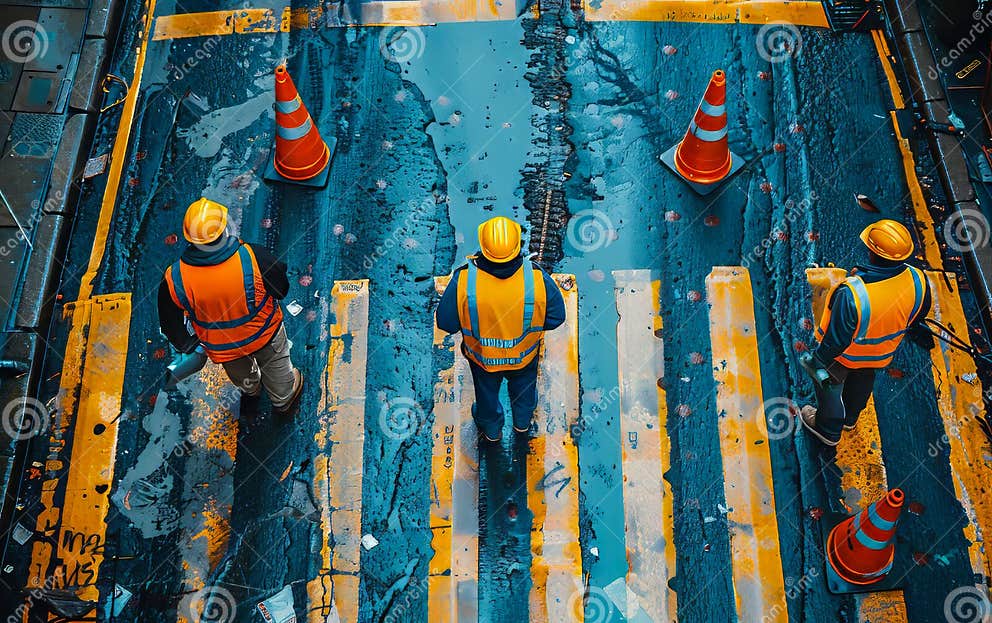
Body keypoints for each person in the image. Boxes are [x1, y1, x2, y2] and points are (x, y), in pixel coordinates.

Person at [158, 198, 304, 413]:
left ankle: (252, 389)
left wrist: (190, 345)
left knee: (242, 375)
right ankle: (283, 399)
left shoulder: (174, 278)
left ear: (188, 237)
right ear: (223, 229)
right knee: (278, 370)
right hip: (265, 335)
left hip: (224, 349)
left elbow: (171, 325)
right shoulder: (254, 257)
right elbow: (281, 290)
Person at [800, 219, 931, 446]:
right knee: (862, 382)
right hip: (879, 356)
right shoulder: (918, 280)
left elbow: (837, 341)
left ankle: (827, 429)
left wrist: (817, 361)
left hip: (845, 357)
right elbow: (919, 313)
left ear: (872, 252)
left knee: (828, 387)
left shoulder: (853, 295)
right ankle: (850, 418)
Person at [435, 216, 566, 442]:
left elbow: (446, 323)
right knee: (524, 393)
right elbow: (556, 318)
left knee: (486, 399)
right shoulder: (536, 278)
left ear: (483, 249)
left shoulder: (463, 280)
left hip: (483, 361)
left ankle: (492, 431)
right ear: (517, 248)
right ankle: (522, 424)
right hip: (525, 358)